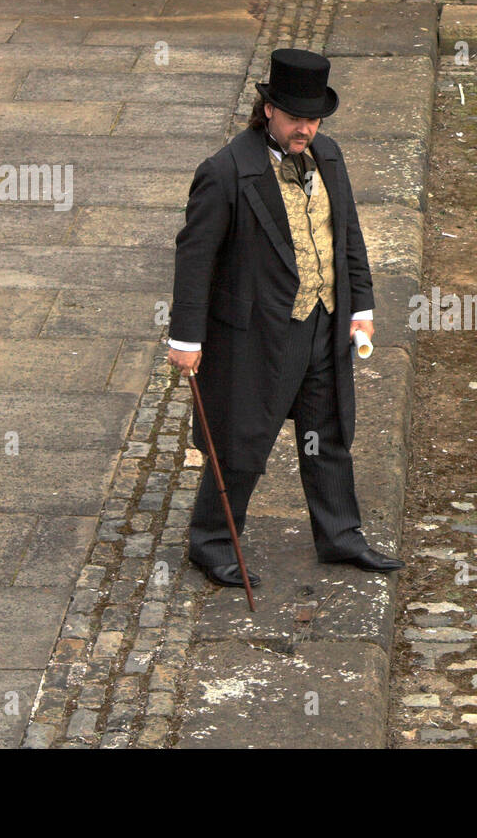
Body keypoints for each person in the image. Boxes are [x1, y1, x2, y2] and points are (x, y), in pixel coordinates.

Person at [166, 48, 404, 588]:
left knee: (329, 431)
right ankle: (213, 542)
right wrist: (186, 337)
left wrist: (360, 309)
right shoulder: (225, 172)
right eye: (296, 117)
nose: (306, 128)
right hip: (258, 334)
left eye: (314, 118)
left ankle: (341, 537)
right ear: (267, 109)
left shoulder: (330, 156)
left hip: (323, 323)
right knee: (241, 439)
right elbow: (194, 261)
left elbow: (348, 238)